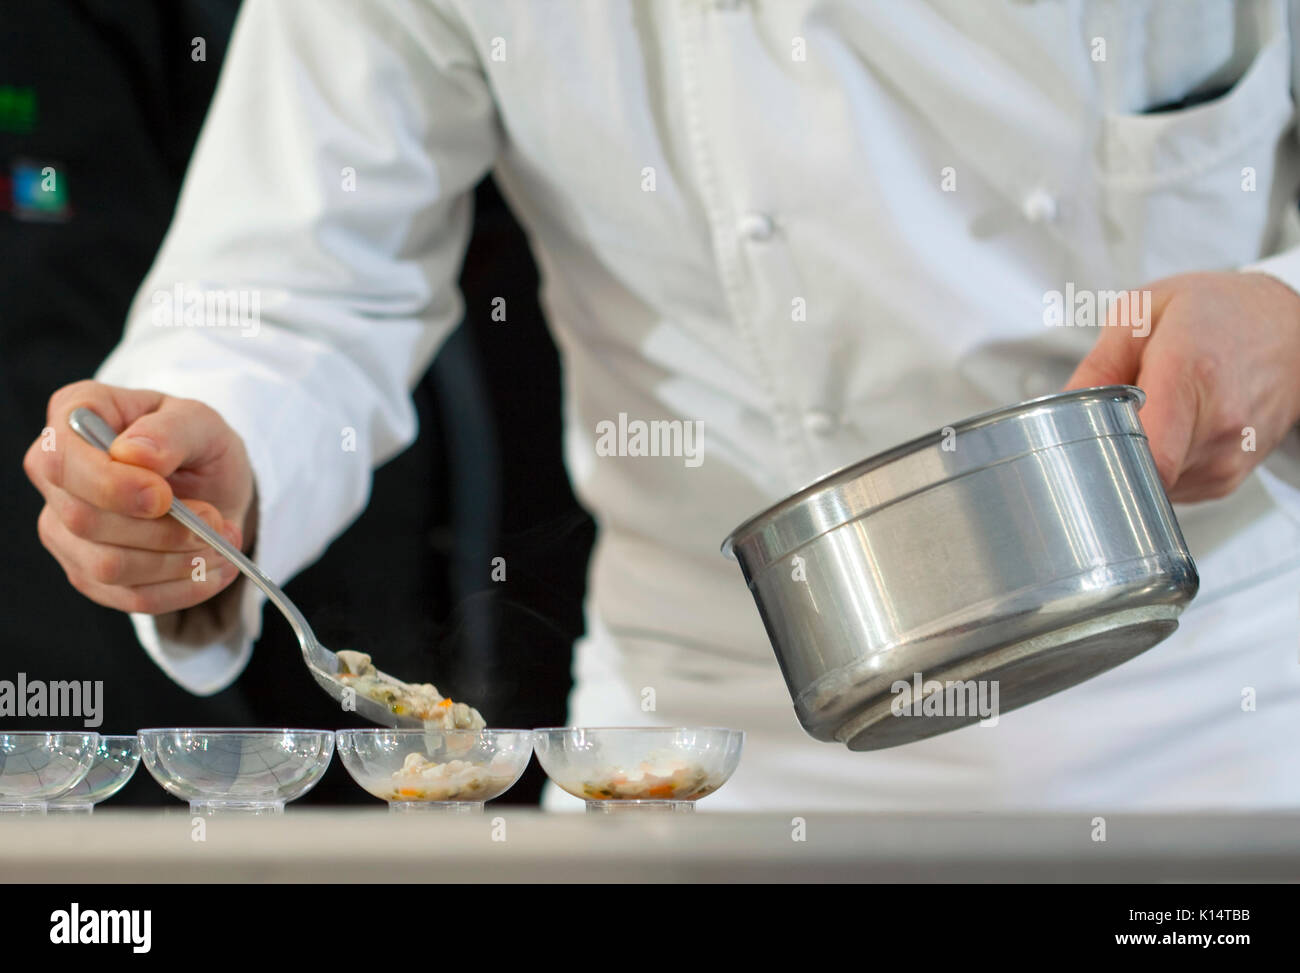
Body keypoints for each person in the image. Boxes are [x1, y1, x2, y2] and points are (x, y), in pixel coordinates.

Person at [23, 0, 1300, 809]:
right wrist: (217, 452)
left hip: (1204, 720)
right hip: (697, 740)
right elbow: (296, 287)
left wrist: (1287, 316)